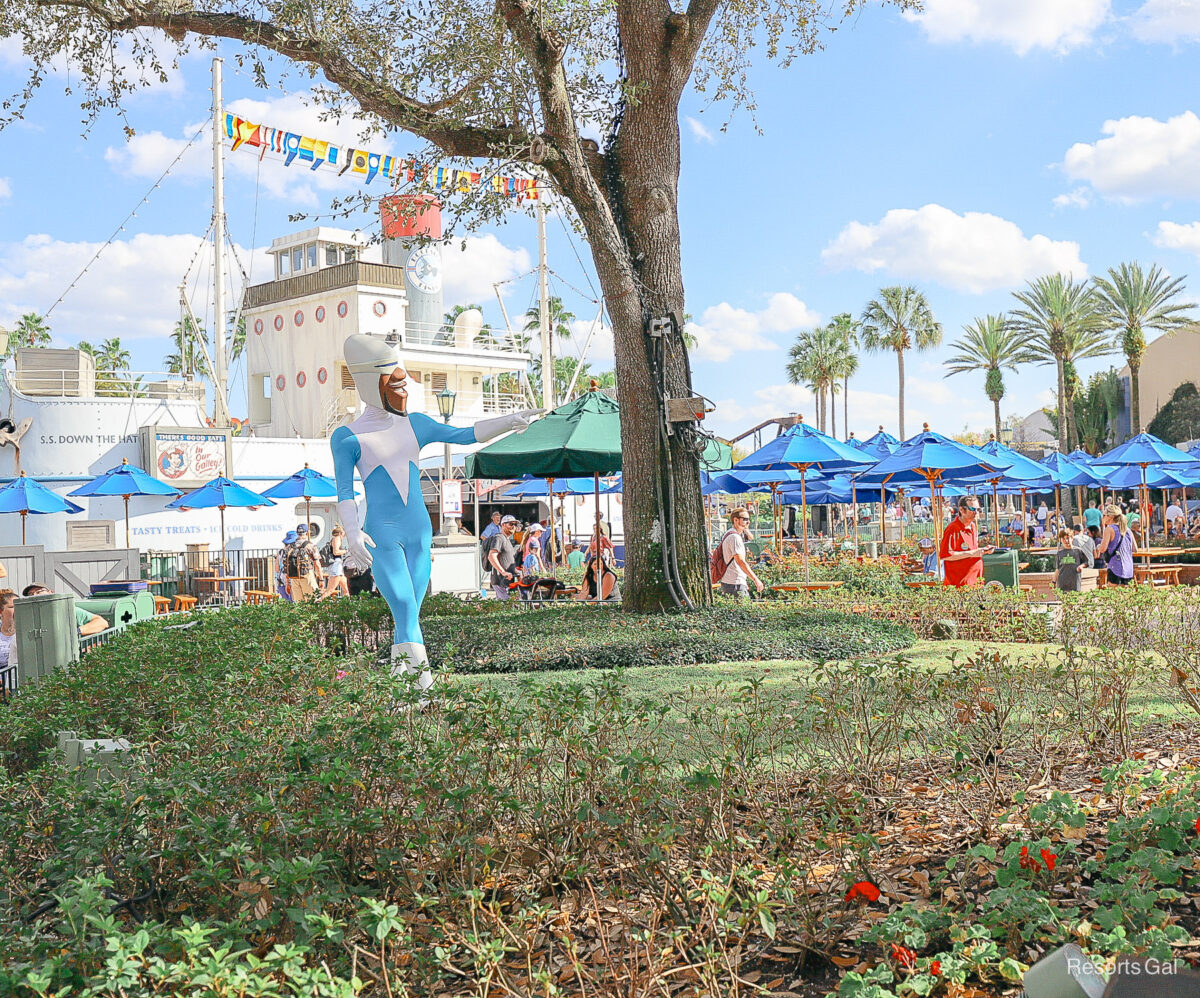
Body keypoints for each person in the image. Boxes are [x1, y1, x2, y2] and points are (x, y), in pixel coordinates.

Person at [331, 334, 542, 699]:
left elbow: (464, 434)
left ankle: (403, 692)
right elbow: (345, 493)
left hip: (419, 533)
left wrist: (510, 420)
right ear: (372, 385)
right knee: (404, 605)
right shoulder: (347, 437)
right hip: (382, 535)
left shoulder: (418, 423)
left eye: (403, 381)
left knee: (408, 612)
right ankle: (422, 689)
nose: (404, 388)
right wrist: (352, 534)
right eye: (395, 383)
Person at [939, 497, 991, 588]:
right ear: (962, 510)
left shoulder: (973, 526)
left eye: (978, 509)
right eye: (972, 509)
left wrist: (983, 550)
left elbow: (972, 550)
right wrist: (972, 553)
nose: (976, 512)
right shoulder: (952, 528)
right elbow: (945, 555)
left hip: (975, 582)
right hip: (959, 585)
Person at [21, 583, 108, 635]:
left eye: (39, 592)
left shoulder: (66, 610)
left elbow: (101, 622)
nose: (35, 595)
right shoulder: (27, 615)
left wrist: (77, 632)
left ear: (50, 592)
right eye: (31, 594)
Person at [717, 506, 764, 599]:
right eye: (745, 519)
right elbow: (740, 561)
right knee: (744, 611)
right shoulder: (735, 537)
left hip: (732, 581)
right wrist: (755, 579)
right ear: (735, 520)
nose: (748, 522)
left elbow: (751, 537)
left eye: (748, 519)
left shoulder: (730, 533)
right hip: (734, 583)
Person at [483, 514, 520, 600]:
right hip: (500, 581)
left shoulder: (507, 540)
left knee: (507, 607)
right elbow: (492, 556)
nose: (513, 527)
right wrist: (503, 572)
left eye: (515, 525)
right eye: (511, 524)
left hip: (508, 582)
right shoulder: (499, 538)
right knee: (508, 606)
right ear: (503, 525)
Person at [1100, 504, 1137, 586]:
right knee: (1125, 596)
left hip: (1115, 567)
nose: (1103, 517)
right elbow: (1135, 549)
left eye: (1104, 515)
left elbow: (1102, 549)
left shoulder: (1109, 529)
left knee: (1114, 595)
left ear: (1110, 517)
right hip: (1128, 568)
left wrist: (1099, 546)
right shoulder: (1127, 530)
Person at [285, 524, 324, 601]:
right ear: (307, 533)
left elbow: (286, 565)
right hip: (307, 576)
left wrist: (287, 583)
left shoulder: (290, 546)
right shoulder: (310, 546)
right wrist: (321, 579)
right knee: (313, 602)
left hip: (294, 577)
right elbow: (317, 564)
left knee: (300, 605)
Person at [320, 525, 350, 599]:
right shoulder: (337, 539)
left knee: (346, 590)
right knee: (330, 590)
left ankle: (348, 606)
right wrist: (346, 551)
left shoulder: (335, 539)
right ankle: (318, 602)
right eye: (343, 532)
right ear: (340, 533)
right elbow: (336, 552)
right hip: (336, 565)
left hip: (337, 565)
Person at [1055, 528, 1083, 593]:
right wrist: (1053, 581)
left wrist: (1081, 566)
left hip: (1075, 583)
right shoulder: (1059, 553)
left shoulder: (1078, 551)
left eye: (1067, 538)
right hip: (1062, 584)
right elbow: (1057, 569)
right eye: (1063, 539)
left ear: (1072, 538)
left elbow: (1086, 562)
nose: (1066, 541)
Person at [276, 530, 298, 601]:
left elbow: (276, 569)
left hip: (281, 582)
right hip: (292, 582)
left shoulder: (281, 552)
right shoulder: (294, 552)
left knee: (287, 605)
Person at [0, 589, 17, 680]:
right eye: (12, 607)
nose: (17, 609)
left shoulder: (27, 632)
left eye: (19, 605)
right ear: (1, 611)